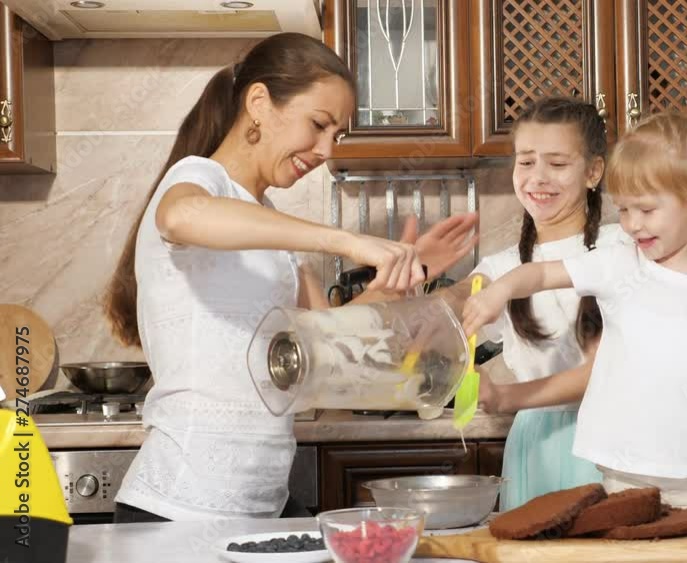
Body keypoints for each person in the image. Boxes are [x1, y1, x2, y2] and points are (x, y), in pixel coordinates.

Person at [103, 33, 477, 522]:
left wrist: (403, 277)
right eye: (318, 125)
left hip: (260, 503)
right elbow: (180, 216)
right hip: (180, 506)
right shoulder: (198, 179)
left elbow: (322, 341)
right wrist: (347, 240)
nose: (326, 150)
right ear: (259, 103)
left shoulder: (267, 218)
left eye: (336, 136)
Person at [463, 112, 687, 506]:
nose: (632, 225)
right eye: (624, 210)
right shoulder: (619, 263)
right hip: (622, 471)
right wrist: (500, 290)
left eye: (646, 210)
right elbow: (541, 275)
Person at [456, 97, 632, 510]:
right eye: (526, 161)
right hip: (534, 444)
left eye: (556, 163)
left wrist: (503, 397)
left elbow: (603, 372)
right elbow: (450, 330)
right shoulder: (498, 267)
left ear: (593, 171)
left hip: (609, 439)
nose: (538, 177)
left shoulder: (619, 248)